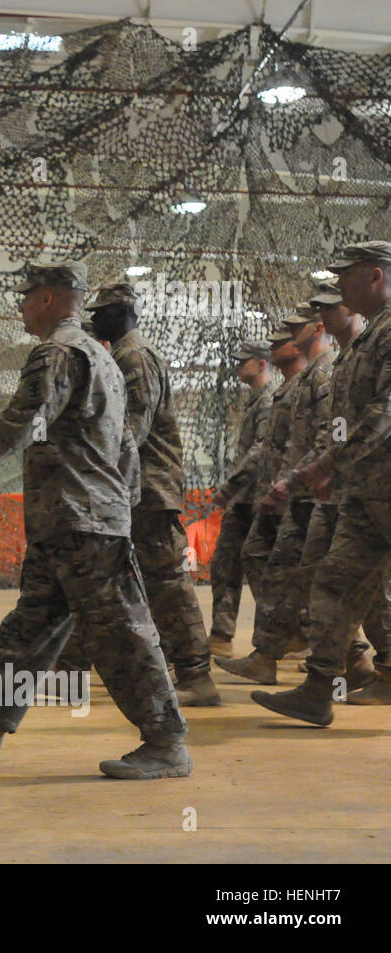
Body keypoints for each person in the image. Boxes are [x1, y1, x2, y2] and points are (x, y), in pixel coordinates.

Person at [0, 261, 189, 780]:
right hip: (74, 520)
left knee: (120, 632)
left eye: (26, 296)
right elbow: (127, 446)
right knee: (29, 628)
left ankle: (166, 741)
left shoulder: (59, 353)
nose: (21, 305)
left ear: (48, 298)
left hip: (80, 520)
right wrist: (121, 501)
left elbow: (23, 421)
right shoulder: (103, 358)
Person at [257, 241, 391, 722]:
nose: (339, 286)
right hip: (367, 492)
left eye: (347, 275)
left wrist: (330, 464)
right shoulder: (370, 338)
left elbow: (385, 413)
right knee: (334, 581)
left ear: (375, 275)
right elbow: (350, 421)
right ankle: (319, 689)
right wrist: (335, 469)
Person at [86, 282, 219, 707]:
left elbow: (132, 430)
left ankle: (196, 674)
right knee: (150, 581)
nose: (94, 319)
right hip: (139, 488)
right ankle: (175, 667)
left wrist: (99, 471)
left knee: (167, 582)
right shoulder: (125, 353)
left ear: (121, 312)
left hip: (150, 490)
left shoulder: (134, 356)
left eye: (101, 312)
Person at [216, 308, 337, 682]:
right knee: (277, 567)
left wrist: (294, 482)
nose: (277, 344)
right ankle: (273, 652)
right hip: (287, 494)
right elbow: (285, 445)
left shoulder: (322, 376)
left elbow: (327, 436)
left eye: (290, 333)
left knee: (324, 579)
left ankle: (347, 660)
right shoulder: (299, 384)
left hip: (310, 495)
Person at [208, 341, 277, 657]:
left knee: (264, 568)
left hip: (260, 499)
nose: (238, 366)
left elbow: (260, 450)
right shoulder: (255, 401)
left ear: (262, 363)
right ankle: (221, 635)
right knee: (225, 563)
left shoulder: (269, 401)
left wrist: (229, 486)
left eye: (244, 361)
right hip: (244, 500)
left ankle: (283, 637)